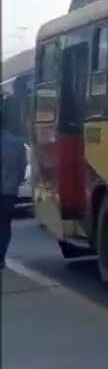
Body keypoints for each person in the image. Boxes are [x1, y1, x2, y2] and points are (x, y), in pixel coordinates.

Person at [1, 102, 28, 270]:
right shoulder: (17, 143)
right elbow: (22, 167)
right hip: (9, 191)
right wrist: (16, 182)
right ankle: (1, 258)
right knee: (4, 224)